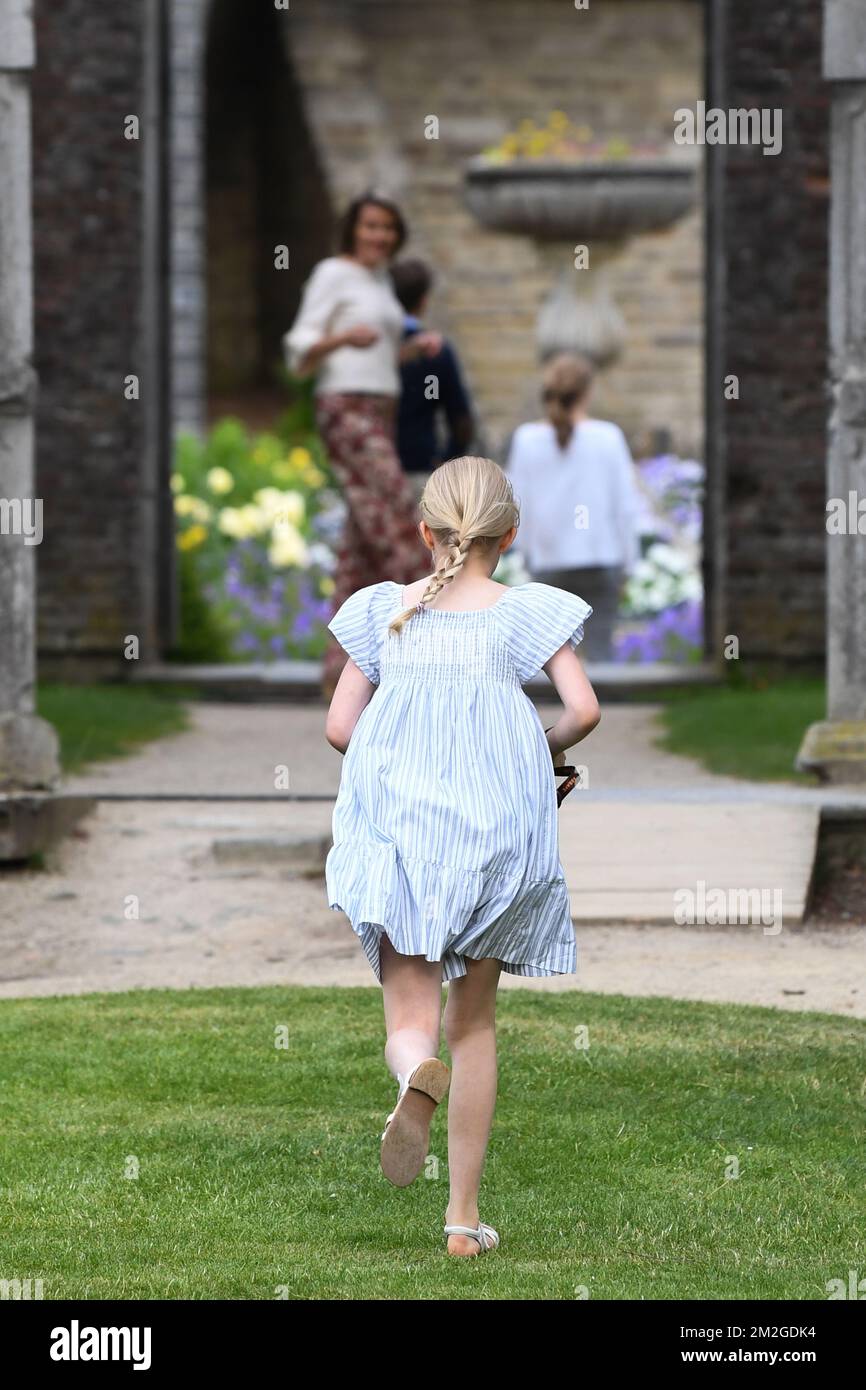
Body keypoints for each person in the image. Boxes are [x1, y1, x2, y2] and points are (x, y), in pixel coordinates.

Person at [323, 454, 600, 1258]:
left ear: (424, 531)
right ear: (508, 536)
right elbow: (582, 708)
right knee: (473, 1026)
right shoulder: (526, 614)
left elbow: (341, 731)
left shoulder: (385, 612)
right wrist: (533, 755)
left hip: (405, 838)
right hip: (493, 842)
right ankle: (461, 1221)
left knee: (411, 1023)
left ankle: (414, 1072)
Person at [282, 192, 442, 700]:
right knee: (399, 516)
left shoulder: (379, 282)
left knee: (361, 543)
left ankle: (340, 674)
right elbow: (299, 343)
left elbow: (375, 354)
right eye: (371, 227)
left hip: (380, 408)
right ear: (353, 229)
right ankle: (431, 631)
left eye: (388, 229)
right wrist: (339, 340)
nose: (380, 237)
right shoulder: (333, 273)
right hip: (345, 409)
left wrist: (410, 350)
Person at [505, 352, 642, 663]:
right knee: (601, 655)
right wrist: (630, 562)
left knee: (551, 662)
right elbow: (624, 506)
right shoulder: (608, 437)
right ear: (587, 392)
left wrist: (526, 554)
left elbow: (516, 505)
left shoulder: (527, 439)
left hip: (548, 561)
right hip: (601, 558)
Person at [389, 258, 474, 502]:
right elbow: (461, 421)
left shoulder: (376, 348)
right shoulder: (435, 351)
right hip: (421, 467)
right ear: (424, 300)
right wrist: (446, 461)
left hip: (374, 467)